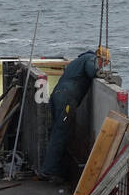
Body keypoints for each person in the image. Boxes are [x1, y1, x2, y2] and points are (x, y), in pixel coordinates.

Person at [40, 46, 110, 180]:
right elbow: (92, 71)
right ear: (101, 58)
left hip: (59, 95)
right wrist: (101, 74)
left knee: (56, 132)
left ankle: (51, 168)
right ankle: (49, 171)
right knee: (60, 134)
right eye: (105, 63)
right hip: (66, 98)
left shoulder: (80, 60)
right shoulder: (91, 58)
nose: (103, 66)